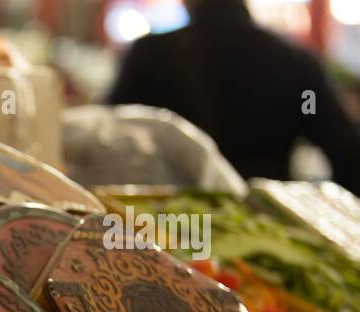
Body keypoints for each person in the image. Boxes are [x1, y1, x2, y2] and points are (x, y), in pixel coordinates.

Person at [107, 0, 360, 193]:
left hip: (172, 228)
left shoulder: (150, 57)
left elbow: (107, 137)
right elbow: (345, 151)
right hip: (265, 227)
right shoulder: (297, 64)